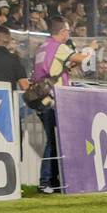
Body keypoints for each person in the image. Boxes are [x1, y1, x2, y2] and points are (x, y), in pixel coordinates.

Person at [31, 16, 88, 194]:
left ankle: (54, 180)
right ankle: (46, 181)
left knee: (54, 139)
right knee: (53, 140)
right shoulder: (59, 47)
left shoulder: (43, 47)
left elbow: (51, 69)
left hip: (41, 96)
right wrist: (91, 50)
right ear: (62, 31)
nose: (68, 34)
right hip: (54, 98)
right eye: (68, 31)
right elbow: (81, 58)